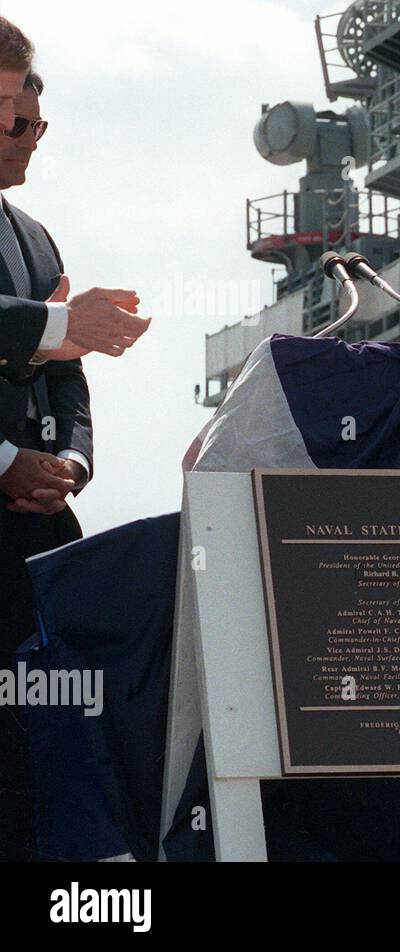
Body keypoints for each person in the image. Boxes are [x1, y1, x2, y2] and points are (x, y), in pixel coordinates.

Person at [0, 15, 150, 862]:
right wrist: (58, 320)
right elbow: (46, 334)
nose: (26, 139)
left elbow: (63, 375)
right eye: (12, 120)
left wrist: (69, 461)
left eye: (31, 122)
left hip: (29, 536)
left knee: (41, 744)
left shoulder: (33, 236)